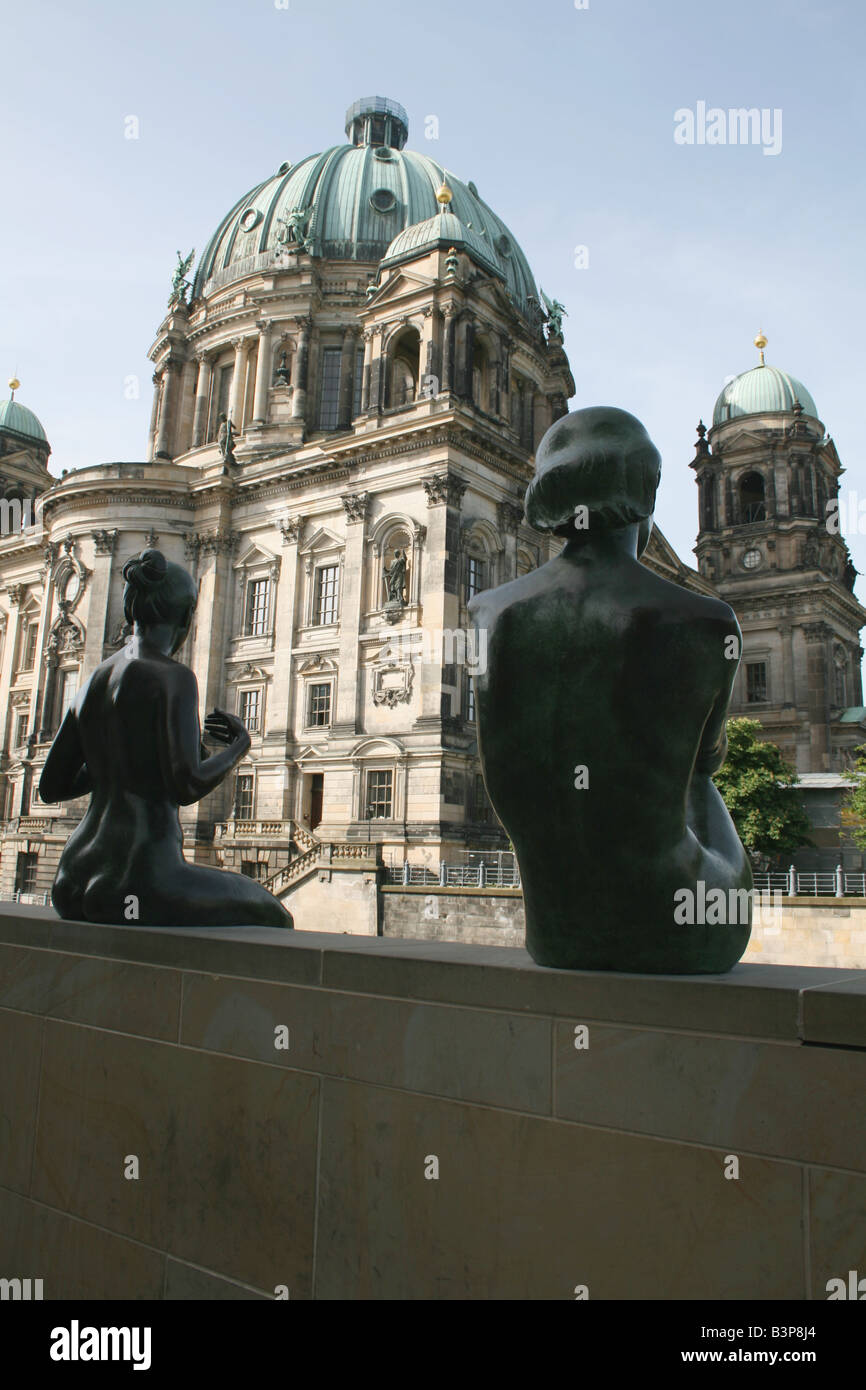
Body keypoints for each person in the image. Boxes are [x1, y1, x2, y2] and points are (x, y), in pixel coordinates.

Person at [469, 407, 751, 973]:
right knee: (696, 773)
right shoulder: (708, 620)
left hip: (553, 936)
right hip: (693, 926)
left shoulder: (487, 613)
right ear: (645, 496)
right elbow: (707, 763)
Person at [39, 548, 292, 929]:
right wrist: (240, 745)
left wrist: (118, 755)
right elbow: (187, 785)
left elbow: (52, 787)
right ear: (187, 617)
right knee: (273, 913)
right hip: (135, 885)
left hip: (71, 879)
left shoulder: (92, 680)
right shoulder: (173, 677)